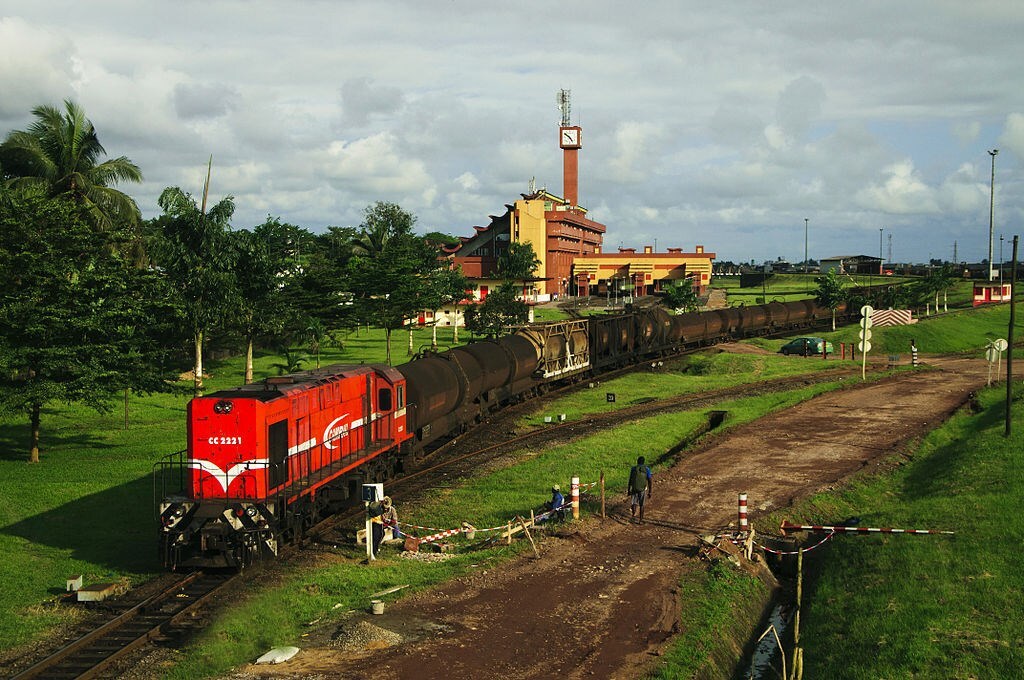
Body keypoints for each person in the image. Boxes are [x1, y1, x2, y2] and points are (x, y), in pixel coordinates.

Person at [627, 456, 653, 523]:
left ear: (637, 461)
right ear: (643, 462)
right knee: (642, 505)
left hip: (634, 488)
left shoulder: (633, 469)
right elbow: (650, 480)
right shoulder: (647, 469)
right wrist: (650, 491)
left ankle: (633, 515)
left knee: (634, 503)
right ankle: (640, 520)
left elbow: (630, 480)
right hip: (642, 489)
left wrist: (629, 490)